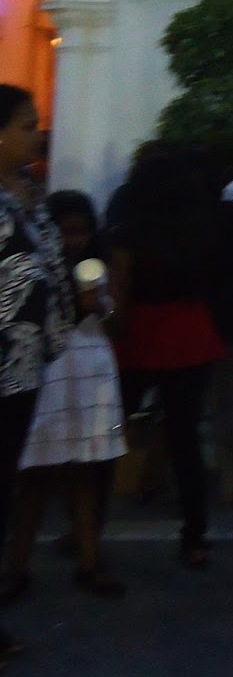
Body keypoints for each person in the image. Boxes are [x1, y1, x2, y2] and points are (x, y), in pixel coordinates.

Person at [106, 145, 233, 569]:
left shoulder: (129, 230)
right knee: (185, 441)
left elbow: (120, 290)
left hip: (141, 330)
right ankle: (194, 537)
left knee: (107, 433)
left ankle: (86, 527)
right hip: (191, 330)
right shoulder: (202, 227)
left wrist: (112, 328)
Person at [1, 191, 126, 601]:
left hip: (90, 370)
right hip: (51, 371)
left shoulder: (98, 266)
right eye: (67, 232)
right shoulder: (41, 266)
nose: (75, 240)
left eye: (82, 232)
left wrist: (98, 304)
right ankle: (16, 567)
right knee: (35, 477)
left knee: (85, 473)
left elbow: (115, 318)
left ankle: (90, 560)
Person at [0, 86, 73, 656]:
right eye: (27, 125)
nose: (36, 134)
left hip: (22, 372)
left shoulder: (29, 193)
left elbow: (49, 264)